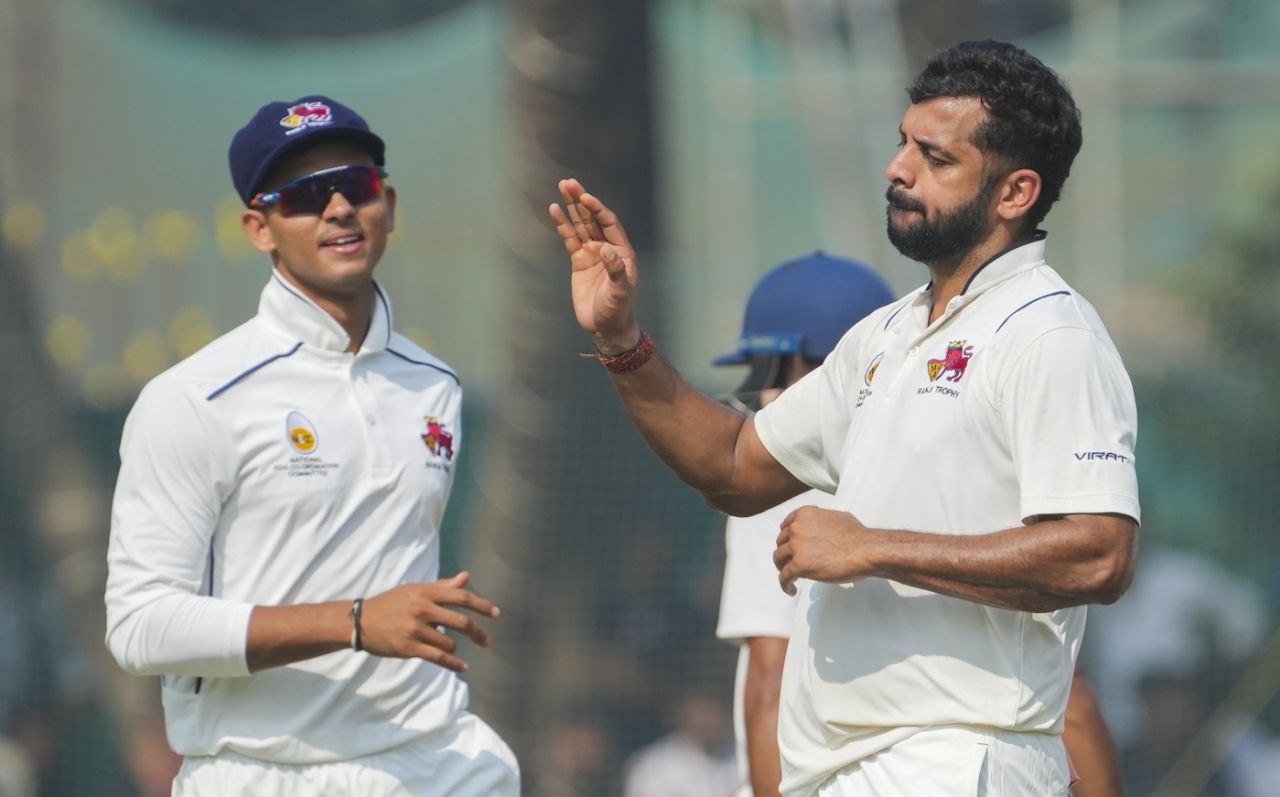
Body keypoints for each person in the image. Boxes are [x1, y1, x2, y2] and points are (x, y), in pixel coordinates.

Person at [549, 38, 1140, 796]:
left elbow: (1098, 553)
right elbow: (733, 465)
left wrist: (872, 547)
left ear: (1015, 192)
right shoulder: (885, 334)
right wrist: (622, 340)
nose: (898, 169)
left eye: (936, 157)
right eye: (903, 143)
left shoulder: (1050, 333)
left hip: (959, 759)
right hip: (845, 767)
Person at [105, 95, 518, 796]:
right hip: (262, 772)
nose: (339, 209)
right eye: (303, 196)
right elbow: (140, 626)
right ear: (258, 228)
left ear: (388, 203)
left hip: (436, 761)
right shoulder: (195, 396)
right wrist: (355, 622)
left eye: (357, 184)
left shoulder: (434, 384)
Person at [711, 253, 894, 797]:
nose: (758, 389)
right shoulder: (912, 469)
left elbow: (772, 679)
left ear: (803, 367)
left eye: (766, 368)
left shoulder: (782, 483)